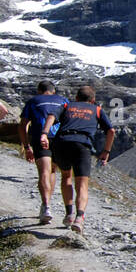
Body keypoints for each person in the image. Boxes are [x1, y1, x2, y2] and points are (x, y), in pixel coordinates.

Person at [40, 85, 115, 233]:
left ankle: (69, 214)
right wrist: (106, 151)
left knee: (66, 176)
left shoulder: (67, 105)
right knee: (82, 183)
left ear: (76, 98)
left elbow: (51, 116)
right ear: (93, 100)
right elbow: (111, 131)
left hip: (61, 142)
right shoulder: (97, 110)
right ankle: (79, 218)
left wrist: (44, 133)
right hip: (82, 144)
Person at [20, 80, 69, 225]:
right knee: (53, 170)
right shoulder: (64, 101)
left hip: (40, 137)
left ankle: (46, 206)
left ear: (39, 90)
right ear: (54, 91)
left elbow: (23, 125)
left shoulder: (33, 101)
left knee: (44, 172)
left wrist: (26, 147)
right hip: (61, 139)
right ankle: (54, 206)